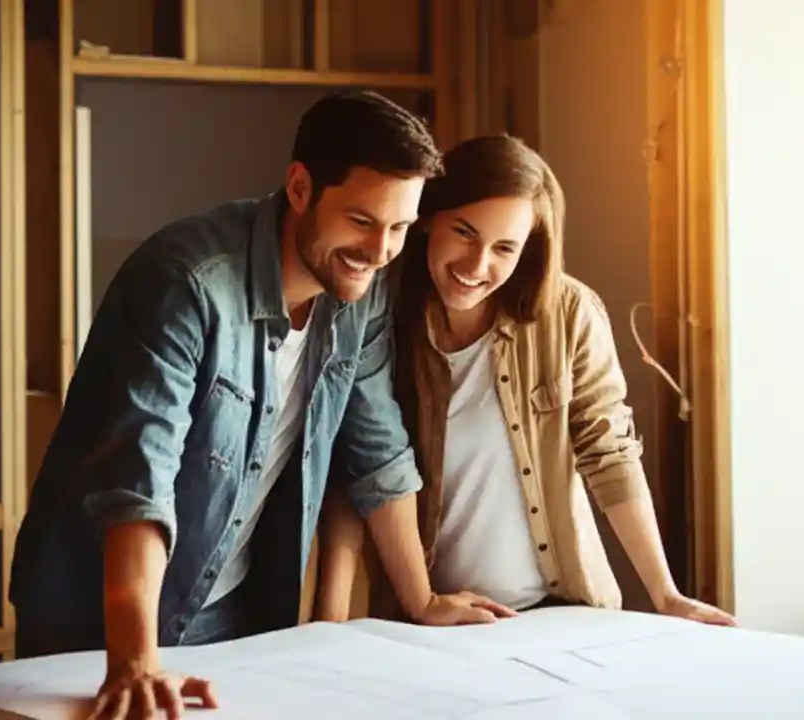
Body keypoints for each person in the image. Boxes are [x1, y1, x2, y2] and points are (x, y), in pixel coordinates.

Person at [9, 92, 512, 720]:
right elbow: (139, 478)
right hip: (97, 623)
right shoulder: (185, 281)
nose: (381, 250)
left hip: (234, 620)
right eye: (361, 220)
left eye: (401, 228)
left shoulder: (363, 291)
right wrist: (134, 659)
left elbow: (377, 450)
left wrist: (422, 598)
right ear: (300, 187)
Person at [315, 135, 736, 626]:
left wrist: (667, 595)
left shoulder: (569, 312)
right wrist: (330, 623)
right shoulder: (376, 320)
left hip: (560, 613)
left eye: (504, 248)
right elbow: (357, 475)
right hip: (431, 623)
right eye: (465, 233)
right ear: (429, 218)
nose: (477, 266)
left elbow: (610, 454)